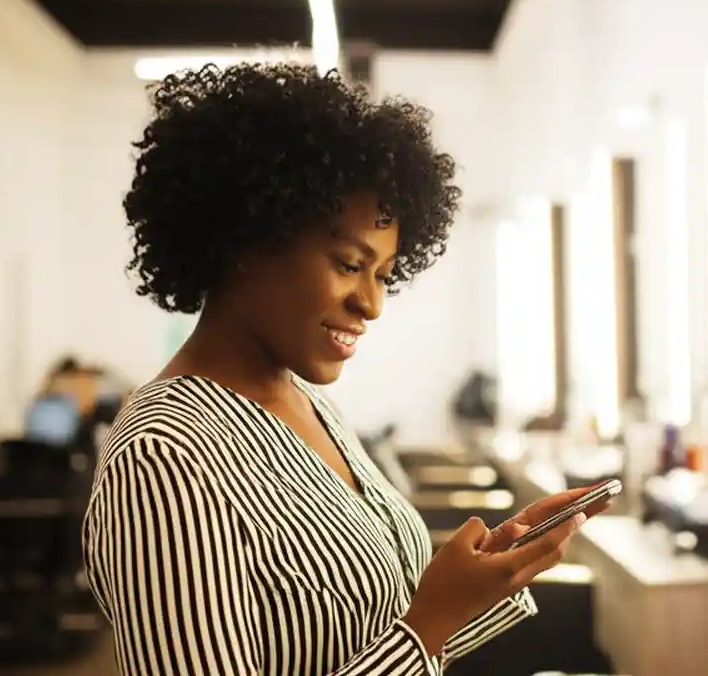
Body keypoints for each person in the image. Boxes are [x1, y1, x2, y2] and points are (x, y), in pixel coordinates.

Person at [81, 63, 605, 676]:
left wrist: (488, 573)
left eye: (383, 275)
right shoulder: (167, 458)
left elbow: (370, 630)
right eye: (348, 263)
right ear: (249, 238)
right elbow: (412, 634)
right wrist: (428, 621)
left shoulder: (308, 404)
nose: (372, 304)